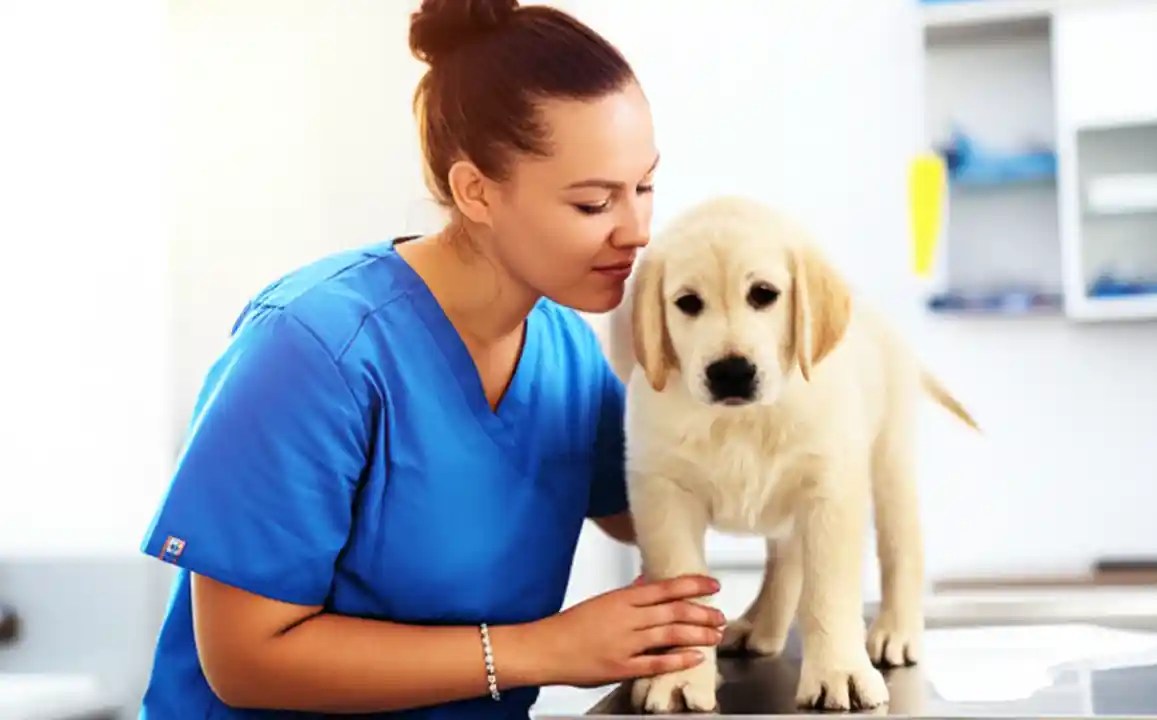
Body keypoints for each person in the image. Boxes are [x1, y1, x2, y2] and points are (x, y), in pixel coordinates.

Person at [137, 1, 726, 717]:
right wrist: (547, 649)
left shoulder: (564, 350)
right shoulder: (311, 349)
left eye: (644, 187)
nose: (636, 230)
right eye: (593, 203)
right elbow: (245, 659)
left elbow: (667, 501)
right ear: (475, 190)